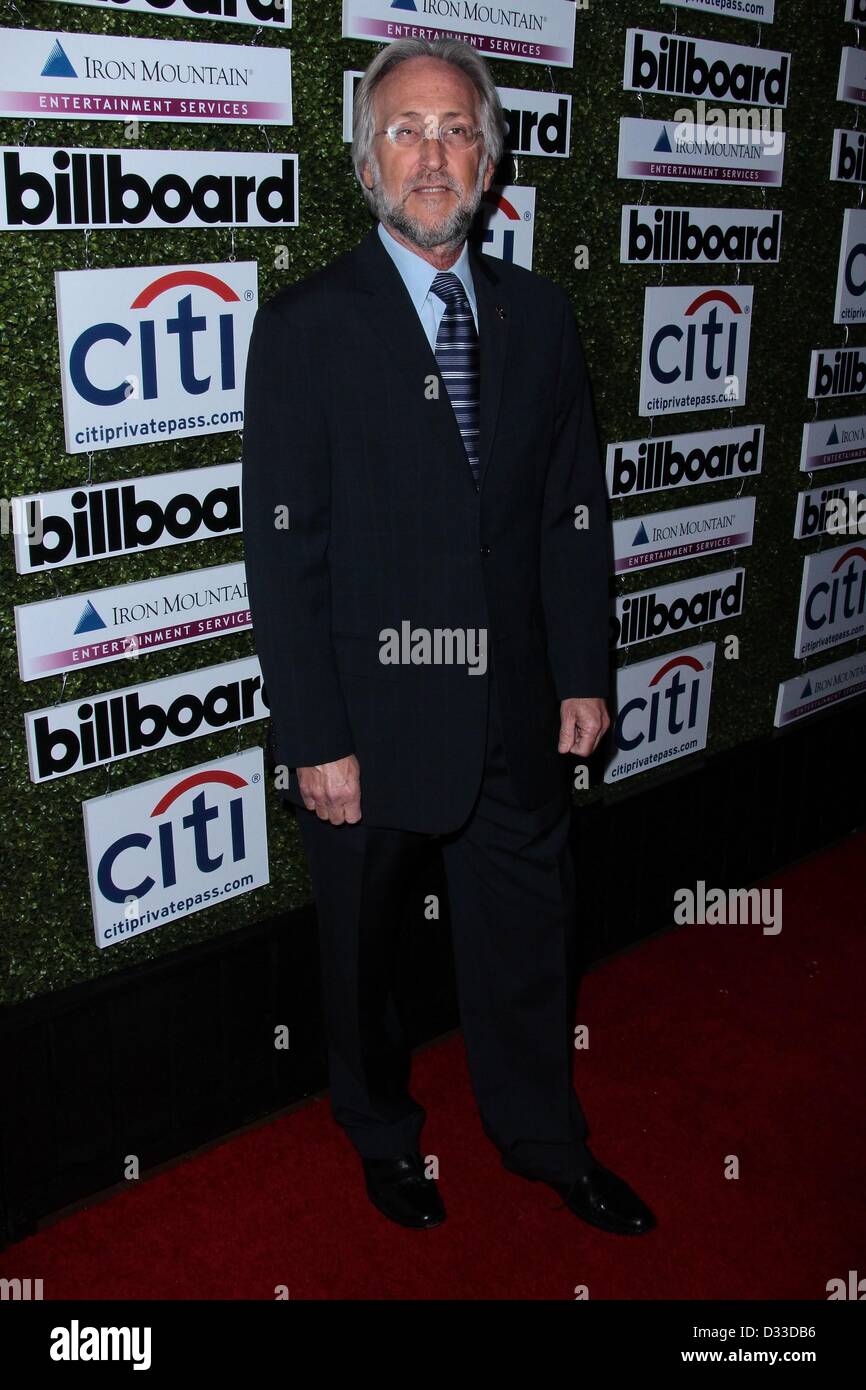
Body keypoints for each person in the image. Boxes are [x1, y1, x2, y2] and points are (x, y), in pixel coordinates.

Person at [242, 36, 655, 1237]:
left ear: (490, 156)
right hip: (369, 725)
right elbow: (284, 548)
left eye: (455, 130)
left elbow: (571, 507)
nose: (433, 155)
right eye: (406, 132)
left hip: (518, 708)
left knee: (527, 937)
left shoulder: (537, 313)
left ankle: (542, 1137)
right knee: (362, 956)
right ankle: (380, 1132)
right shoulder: (307, 326)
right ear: (369, 164)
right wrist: (315, 735)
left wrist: (582, 670)